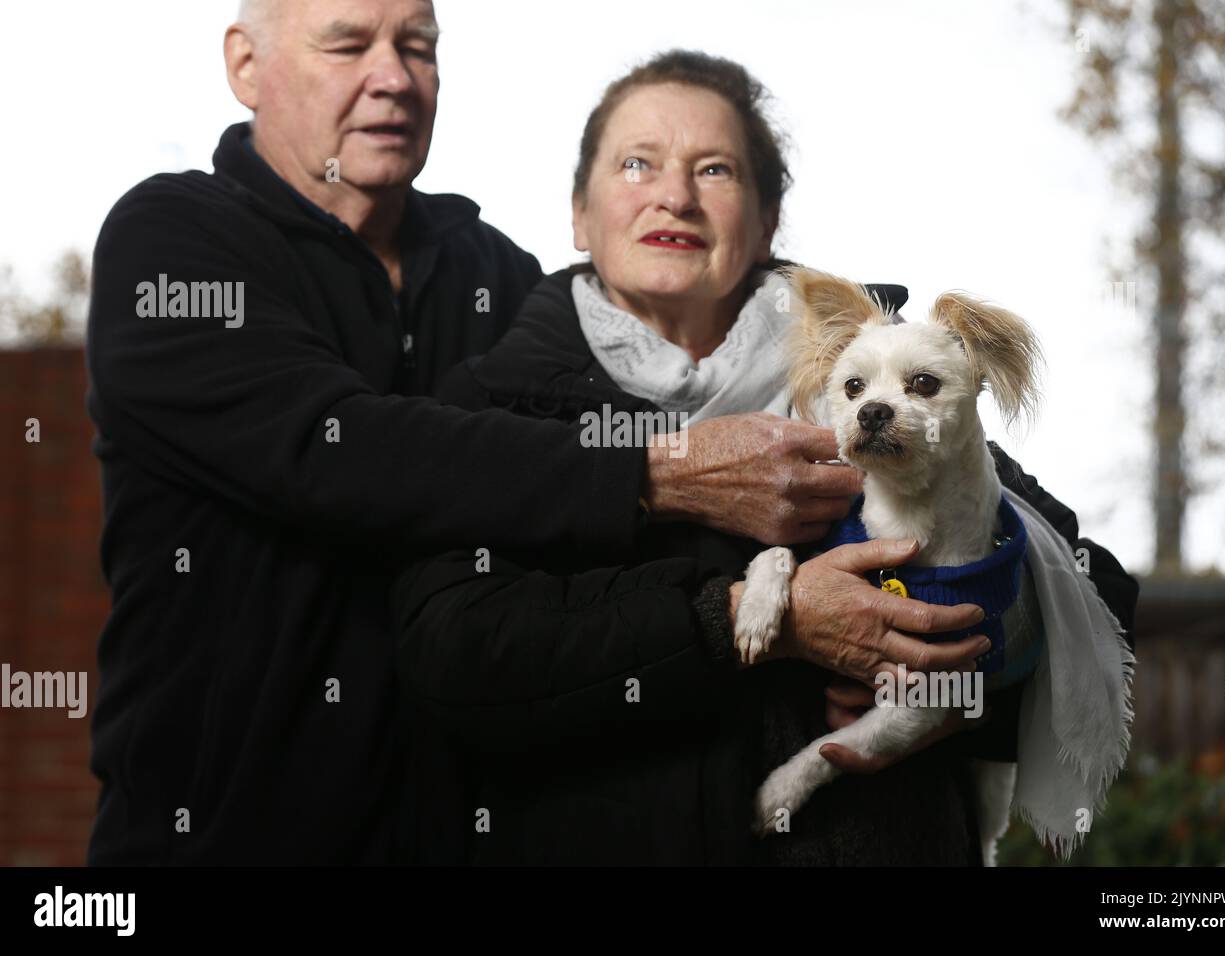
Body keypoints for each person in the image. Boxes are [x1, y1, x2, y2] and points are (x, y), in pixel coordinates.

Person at [84, 0, 959, 865]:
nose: (392, 77)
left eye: (418, 47)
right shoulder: (172, 243)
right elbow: (332, 446)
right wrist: (659, 472)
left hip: (451, 828)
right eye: (348, 44)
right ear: (244, 65)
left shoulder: (497, 283)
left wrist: (904, 646)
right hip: (224, 831)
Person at [392, 50, 1140, 865]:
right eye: (637, 164)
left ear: (768, 216)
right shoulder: (492, 402)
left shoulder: (871, 382)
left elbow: (1094, 593)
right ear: (579, 213)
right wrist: (741, 616)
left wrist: (970, 685)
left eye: (714, 169)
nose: (673, 195)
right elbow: (453, 657)